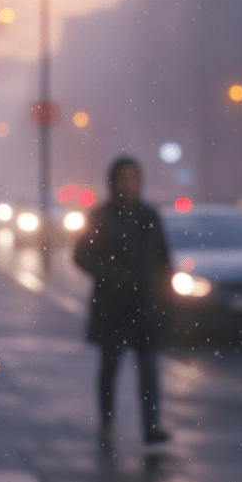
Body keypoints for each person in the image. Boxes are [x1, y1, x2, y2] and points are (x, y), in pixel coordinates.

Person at [73, 157, 173, 445]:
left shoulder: (149, 215)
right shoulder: (101, 216)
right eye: (123, 178)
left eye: (133, 178)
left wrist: (164, 294)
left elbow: (163, 258)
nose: (128, 184)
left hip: (145, 306)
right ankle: (107, 421)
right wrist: (109, 274)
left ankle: (151, 426)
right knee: (110, 368)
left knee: (149, 372)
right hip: (113, 308)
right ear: (113, 182)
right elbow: (81, 255)